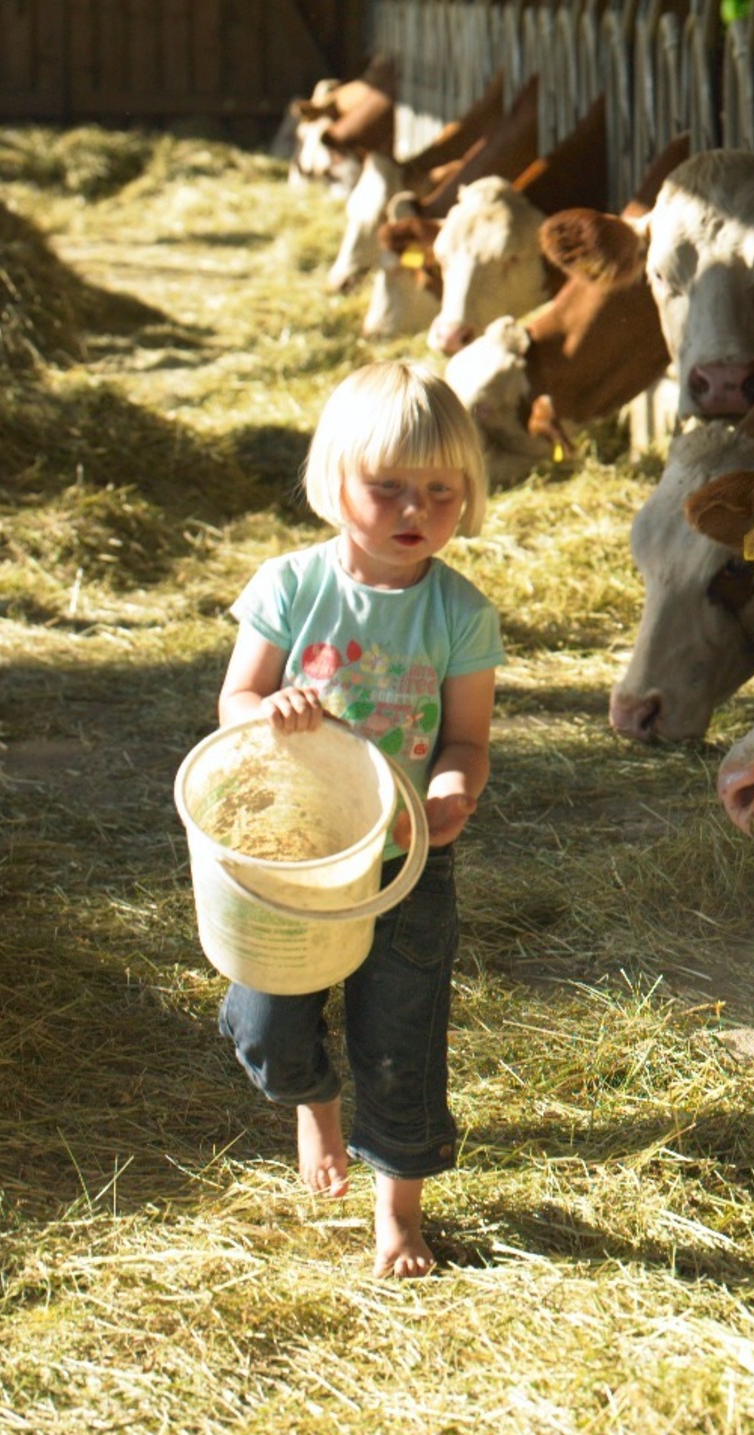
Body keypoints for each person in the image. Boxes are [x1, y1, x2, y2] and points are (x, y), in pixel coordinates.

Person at [214, 360, 501, 1278]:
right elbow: (235, 700)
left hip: (406, 859)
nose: (416, 507)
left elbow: (465, 741)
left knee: (403, 1033)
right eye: (389, 486)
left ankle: (397, 1215)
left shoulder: (461, 613)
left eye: (441, 490)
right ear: (334, 483)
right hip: (291, 854)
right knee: (266, 1024)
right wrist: (270, 713)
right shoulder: (291, 589)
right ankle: (311, 1099)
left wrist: (454, 794)